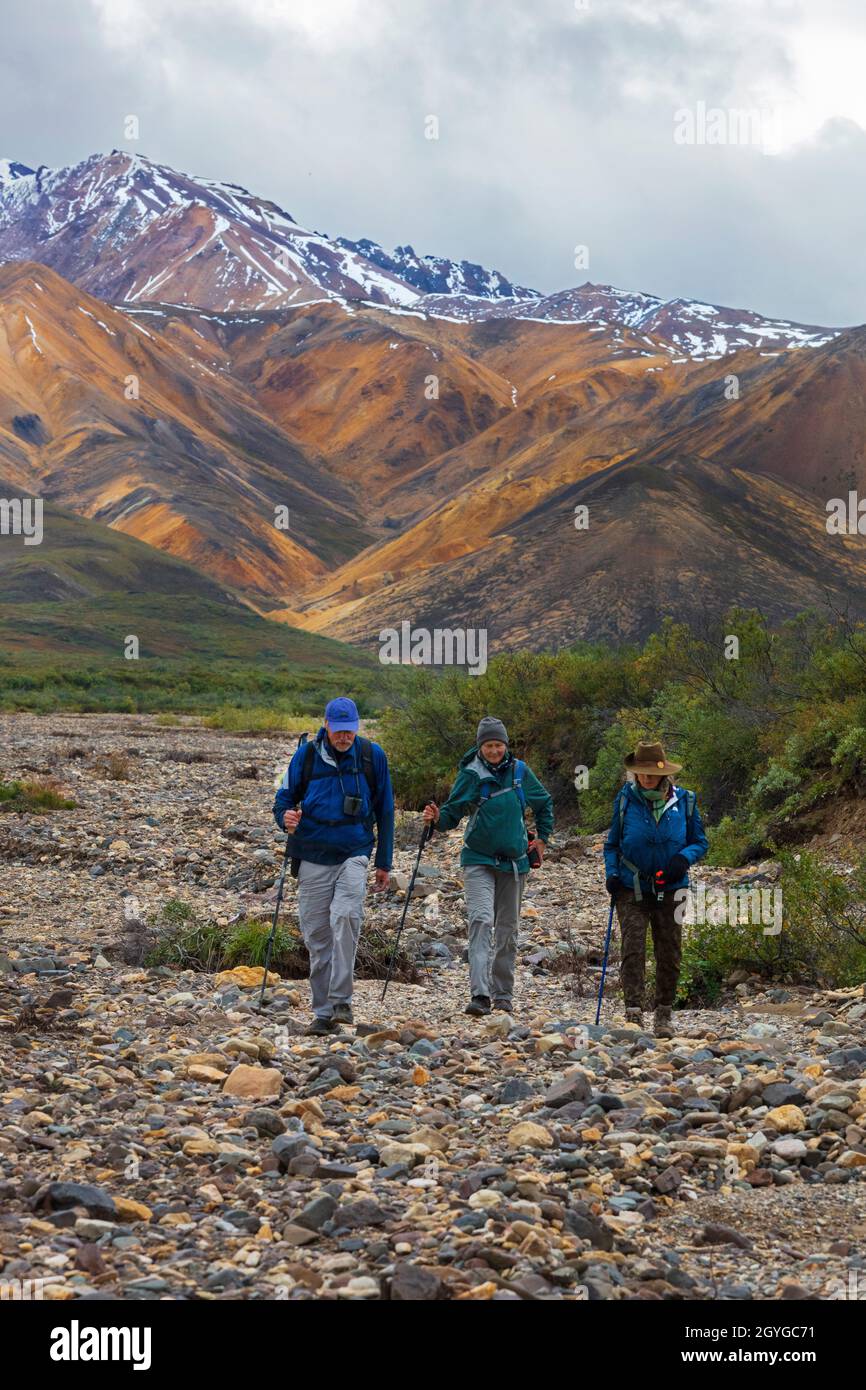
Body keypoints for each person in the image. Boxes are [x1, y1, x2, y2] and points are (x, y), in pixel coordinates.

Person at [273, 697, 393, 1035]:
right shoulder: (306, 756)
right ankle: (322, 1013)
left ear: (357, 727)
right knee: (317, 936)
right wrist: (286, 818)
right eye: (339, 731)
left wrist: (383, 861)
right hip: (310, 853)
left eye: (350, 731)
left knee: (347, 915)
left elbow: (385, 810)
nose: (344, 737)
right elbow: (282, 799)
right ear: (326, 725)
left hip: (354, 850)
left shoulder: (372, 756)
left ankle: (342, 1000)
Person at [423, 716, 553, 1017]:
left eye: (498, 745)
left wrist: (543, 839)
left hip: (515, 863)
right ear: (480, 746)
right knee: (481, 921)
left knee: (508, 930)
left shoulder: (520, 772)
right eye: (488, 745)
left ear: (505, 745)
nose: (494, 751)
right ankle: (480, 995)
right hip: (478, 859)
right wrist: (437, 819)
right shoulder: (470, 774)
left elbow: (544, 804)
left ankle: (503, 995)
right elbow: (452, 813)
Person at [603, 740, 708, 1037]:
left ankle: (664, 1014)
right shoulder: (624, 800)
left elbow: (700, 842)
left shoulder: (686, 801)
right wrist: (612, 874)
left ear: (664, 774)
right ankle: (633, 1014)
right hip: (630, 887)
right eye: (642, 773)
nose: (646, 778)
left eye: (651, 773)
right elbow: (612, 845)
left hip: (673, 887)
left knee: (670, 952)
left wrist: (681, 860)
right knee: (633, 950)